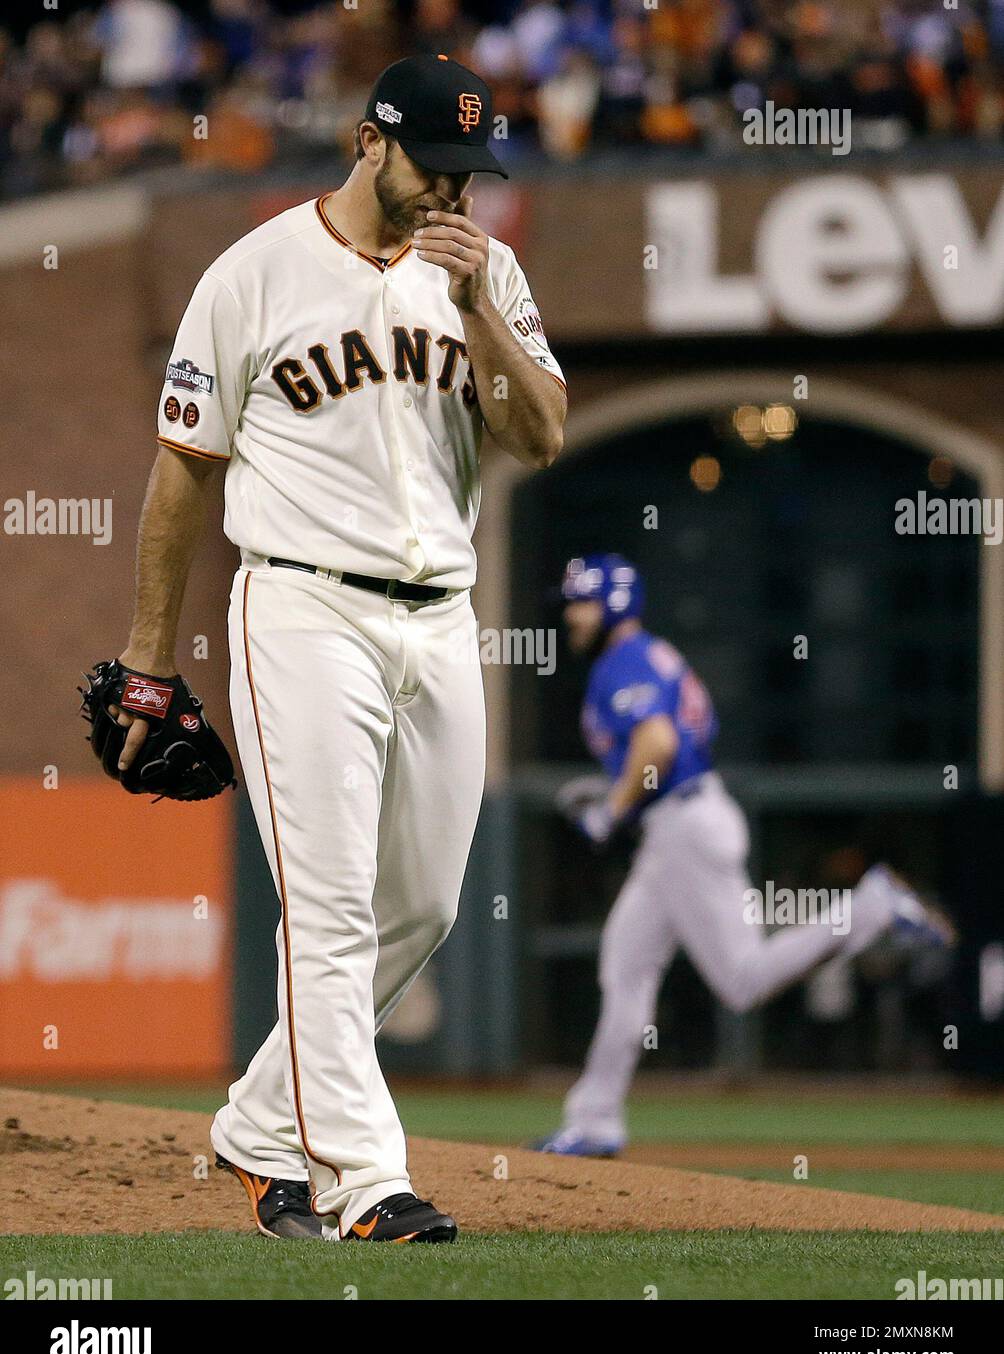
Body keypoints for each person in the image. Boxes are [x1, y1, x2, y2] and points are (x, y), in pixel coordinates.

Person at [114, 53, 566, 1240]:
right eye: (433, 163)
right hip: (302, 610)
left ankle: (260, 1122)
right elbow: (182, 473)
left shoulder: (485, 270)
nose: (451, 191)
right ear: (369, 141)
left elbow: (543, 434)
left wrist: (473, 311)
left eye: (470, 170)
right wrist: (150, 661)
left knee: (420, 903)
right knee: (327, 910)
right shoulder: (253, 271)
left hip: (439, 613)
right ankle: (365, 1183)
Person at [531, 554, 948, 1158]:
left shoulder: (622, 660)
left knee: (742, 980)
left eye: (581, 602)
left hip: (684, 829)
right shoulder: (653, 654)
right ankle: (595, 1119)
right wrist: (623, 793)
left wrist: (611, 808)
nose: (570, 615)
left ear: (613, 603)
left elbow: (660, 742)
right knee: (624, 965)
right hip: (681, 823)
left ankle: (873, 908)